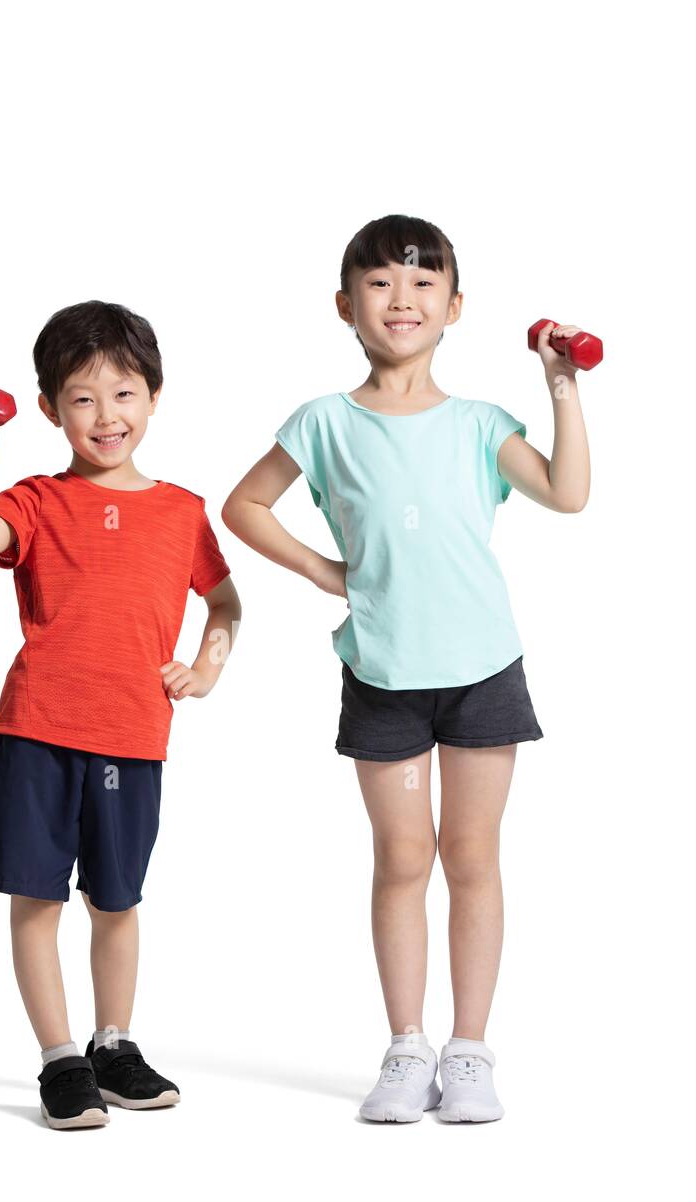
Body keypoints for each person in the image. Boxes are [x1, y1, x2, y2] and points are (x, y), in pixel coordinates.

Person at [221, 214, 589, 1123]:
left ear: (454, 307)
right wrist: (324, 572)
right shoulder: (324, 421)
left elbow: (569, 493)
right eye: (382, 283)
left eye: (424, 285)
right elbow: (244, 505)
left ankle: (469, 1051)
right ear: (346, 306)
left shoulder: (479, 424)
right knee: (400, 858)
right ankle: (405, 1046)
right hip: (383, 667)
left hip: (482, 669)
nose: (403, 299)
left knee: (472, 856)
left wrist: (563, 391)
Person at [0, 300, 241, 1130]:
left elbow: (225, 605)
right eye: (81, 398)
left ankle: (114, 1045)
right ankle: (60, 1059)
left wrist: (207, 668)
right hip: (37, 728)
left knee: (116, 899)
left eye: (123, 395)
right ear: (50, 408)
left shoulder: (183, 511)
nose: (105, 417)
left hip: (134, 731)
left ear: (153, 398)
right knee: (36, 897)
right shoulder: (35, 500)